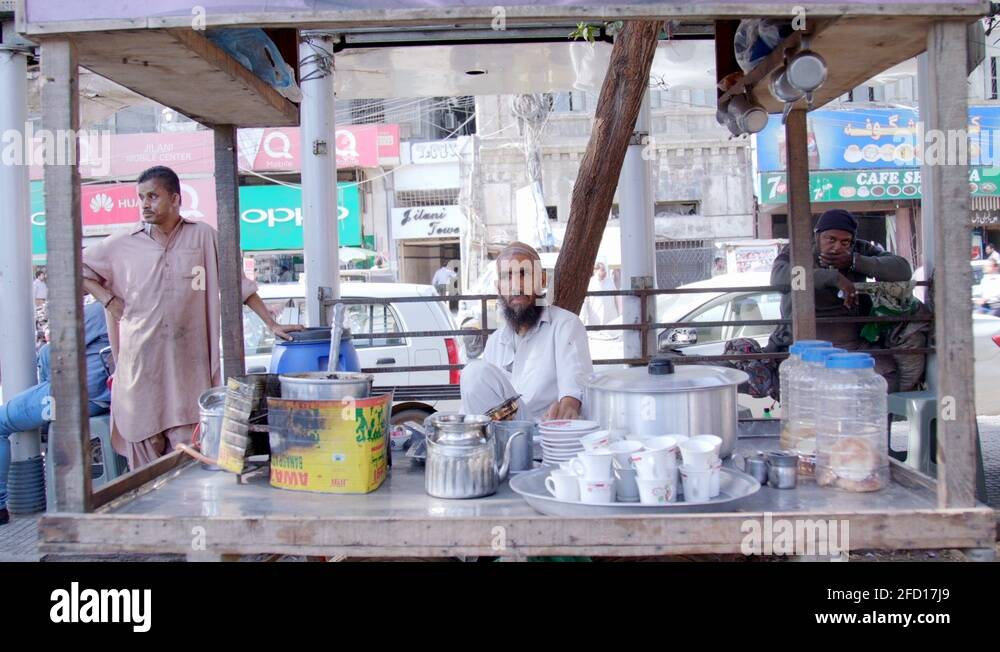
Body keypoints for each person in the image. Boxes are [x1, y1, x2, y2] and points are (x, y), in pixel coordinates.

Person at [81, 166, 304, 470]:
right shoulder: (121, 243)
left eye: (153, 196)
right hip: (140, 372)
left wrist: (271, 323)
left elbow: (239, 284)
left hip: (189, 372)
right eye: (141, 197)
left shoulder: (203, 237)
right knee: (145, 471)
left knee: (189, 467)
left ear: (175, 199)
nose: (145, 204)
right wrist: (108, 300)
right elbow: (77, 268)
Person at [767, 208, 912, 390]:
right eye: (831, 240)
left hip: (853, 345)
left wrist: (855, 262)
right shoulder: (797, 250)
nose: (837, 247)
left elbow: (902, 269)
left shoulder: (860, 249)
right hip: (804, 346)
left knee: (885, 379)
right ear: (817, 236)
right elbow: (778, 277)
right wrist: (831, 277)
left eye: (845, 242)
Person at [0, 301, 111, 525]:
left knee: (1, 422)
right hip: (108, 398)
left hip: (75, 394)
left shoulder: (98, 311)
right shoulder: (135, 307)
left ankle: (0, 505)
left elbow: (55, 351)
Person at [460, 241, 593, 420]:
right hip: (504, 436)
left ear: (543, 280)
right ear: (498, 287)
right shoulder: (495, 341)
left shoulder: (565, 325)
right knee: (475, 375)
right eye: (507, 276)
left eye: (524, 274)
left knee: (474, 373)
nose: (516, 285)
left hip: (546, 432)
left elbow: (574, 387)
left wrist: (568, 407)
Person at [582, 262, 619, 327]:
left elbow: (616, 297)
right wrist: (583, 318)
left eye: (605, 270)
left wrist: (618, 312)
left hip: (610, 317)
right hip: (595, 319)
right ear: (596, 270)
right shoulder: (590, 283)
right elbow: (585, 302)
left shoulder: (610, 281)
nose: (605, 272)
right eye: (602, 270)